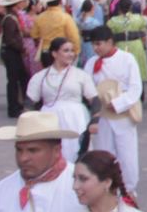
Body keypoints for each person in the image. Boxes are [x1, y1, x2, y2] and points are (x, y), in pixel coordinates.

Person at [85, 25, 144, 196]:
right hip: (103, 114)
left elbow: (135, 88)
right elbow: (88, 86)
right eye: (94, 45)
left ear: (110, 42)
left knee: (127, 154)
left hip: (123, 113)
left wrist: (119, 103)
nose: (96, 48)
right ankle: (108, 189)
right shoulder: (91, 63)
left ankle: (129, 190)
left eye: (99, 44)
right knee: (104, 152)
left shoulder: (127, 59)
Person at [27, 36, 100, 164]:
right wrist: (28, 125)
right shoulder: (40, 76)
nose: (71, 54)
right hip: (49, 119)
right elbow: (30, 102)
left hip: (75, 119)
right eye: (66, 51)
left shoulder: (80, 75)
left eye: (72, 51)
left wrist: (95, 120)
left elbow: (94, 99)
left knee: (77, 154)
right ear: (54, 53)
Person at [0, 0, 33, 118]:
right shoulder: (10, 19)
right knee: (14, 80)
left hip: (12, 52)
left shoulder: (12, 16)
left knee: (17, 79)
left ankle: (17, 105)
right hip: (12, 52)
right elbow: (9, 39)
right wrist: (21, 48)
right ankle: (14, 107)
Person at [33, 0, 80, 67]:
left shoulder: (40, 17)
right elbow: (74, 37)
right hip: (61, 52)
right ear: (60, 0)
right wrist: (75, 51)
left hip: (46, 52)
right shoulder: (66, 17)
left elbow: (34, 35)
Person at [108, 0, 147, 84]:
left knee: (122, 70)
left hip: (120, 46)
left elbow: (110, 35)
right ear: (131, 8)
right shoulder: (138, 18)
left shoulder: (113, 21)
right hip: (136, 45)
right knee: (137, 68)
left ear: (119, 8)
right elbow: (144, 34)